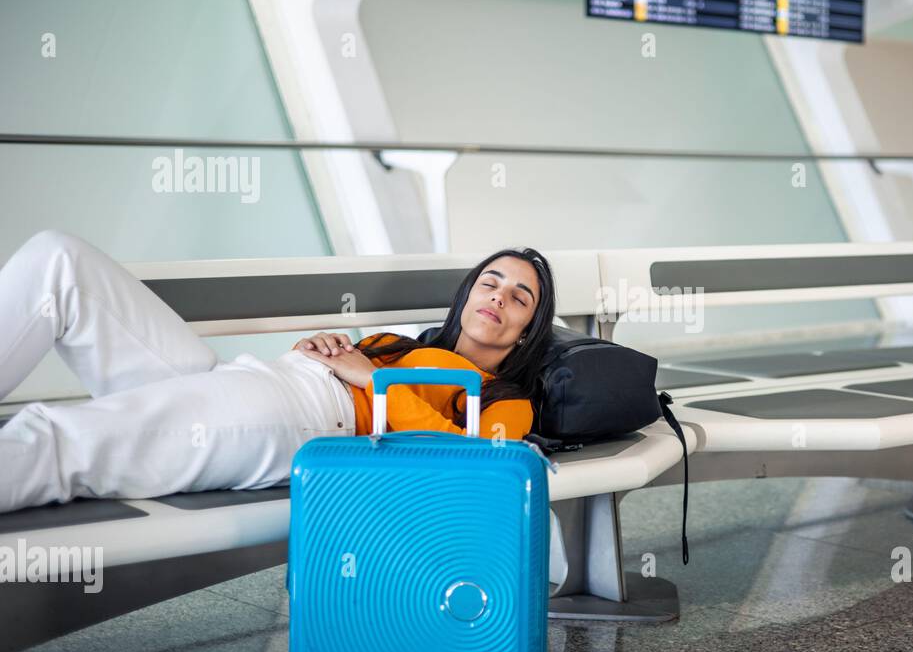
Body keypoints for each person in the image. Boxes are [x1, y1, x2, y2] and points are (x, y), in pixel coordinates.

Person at [0, 230, 554, 515]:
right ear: (467, 294)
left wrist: (369, 382)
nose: (498, 296)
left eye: (518, 296)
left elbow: (478, 469)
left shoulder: (504, 398)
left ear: (528, 329)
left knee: (57, 438)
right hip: (259, 382)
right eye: (490, 281)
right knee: (60, 261)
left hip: (301, 420)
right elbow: (339, 363)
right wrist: (322, 346)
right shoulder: (401, 345)